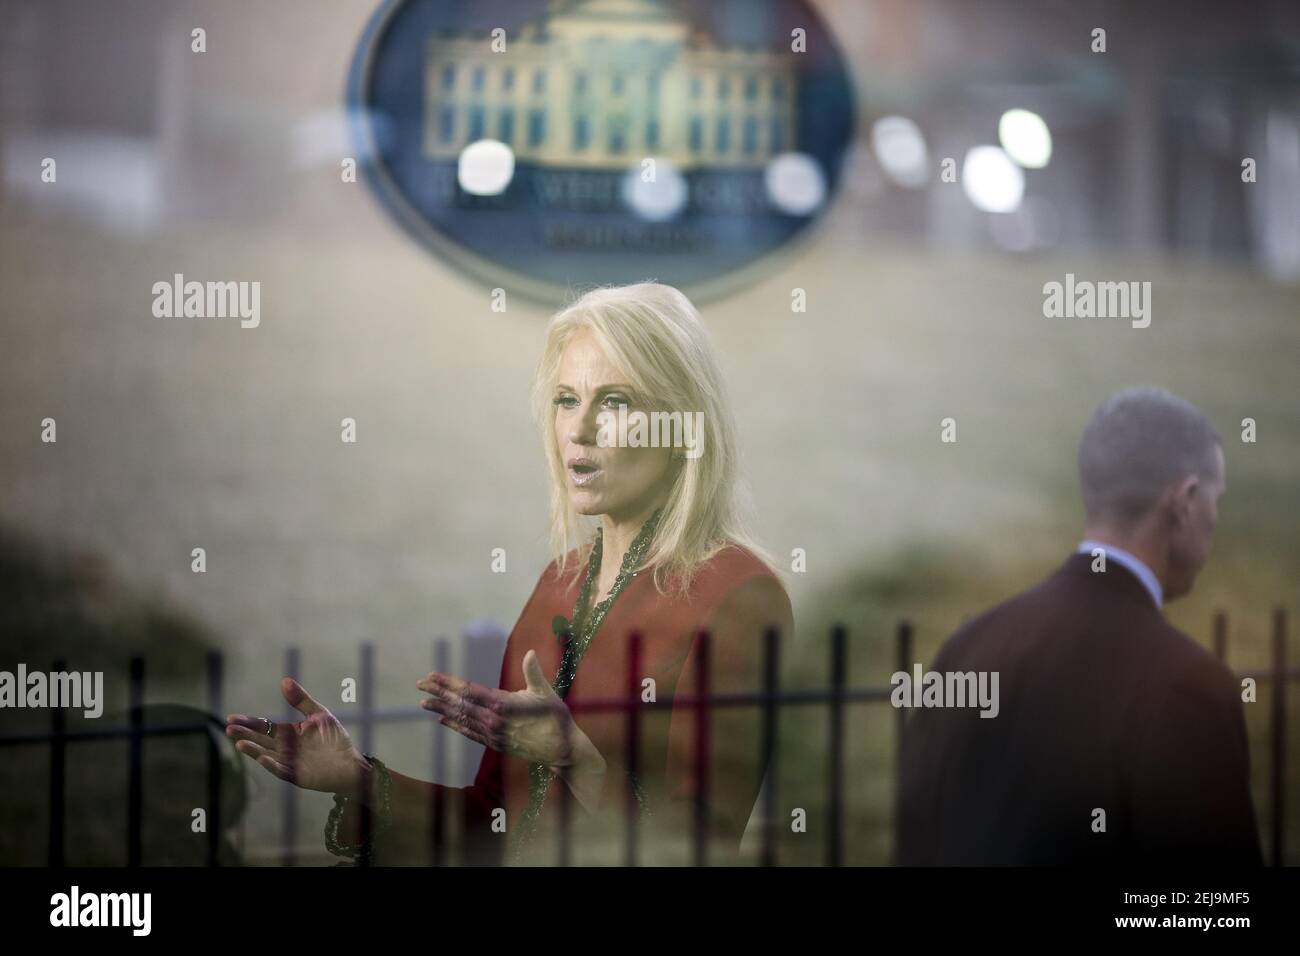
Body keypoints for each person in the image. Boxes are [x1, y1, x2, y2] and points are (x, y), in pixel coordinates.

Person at [226, 282, 792, 865]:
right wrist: (359, 780)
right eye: (566, 399)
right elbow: (496, 820)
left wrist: (576, 756)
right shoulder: (560, 581)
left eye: (616, 401)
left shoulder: (738, 594)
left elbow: (700, 848)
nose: (580, 428)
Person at [898, 386, 1262, 865]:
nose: (1215, 519)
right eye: (1217, 498)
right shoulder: (1186, 685)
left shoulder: (965, 653)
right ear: (1186, 500)